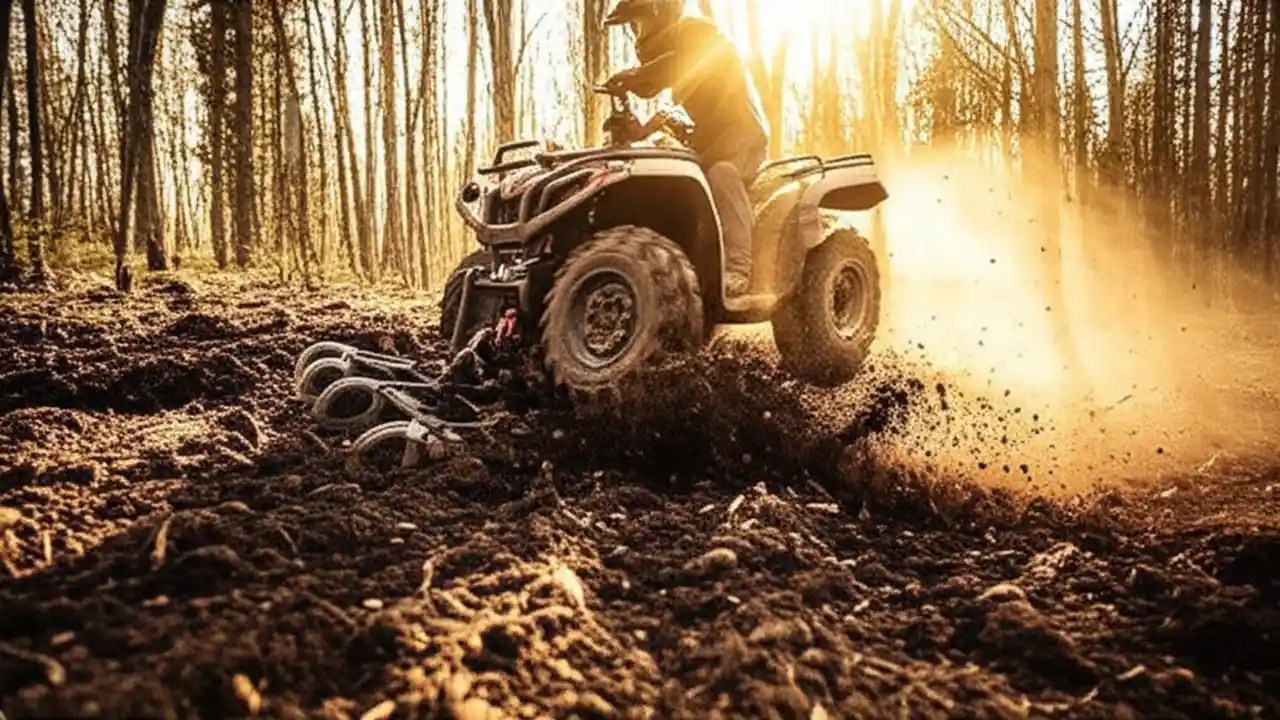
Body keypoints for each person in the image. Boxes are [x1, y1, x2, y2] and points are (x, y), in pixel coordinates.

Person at [603, 0, 769, 298]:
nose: (636, 33)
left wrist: (632, 77)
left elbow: (675, 65)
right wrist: (639, 129)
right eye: (631, 28)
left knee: (720, 173)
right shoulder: (675, 62)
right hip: (708, 141)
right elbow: (664, 97)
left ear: (660, 11)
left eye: (638, 24)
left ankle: (739, 269)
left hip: (742, 137)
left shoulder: (698, 33)